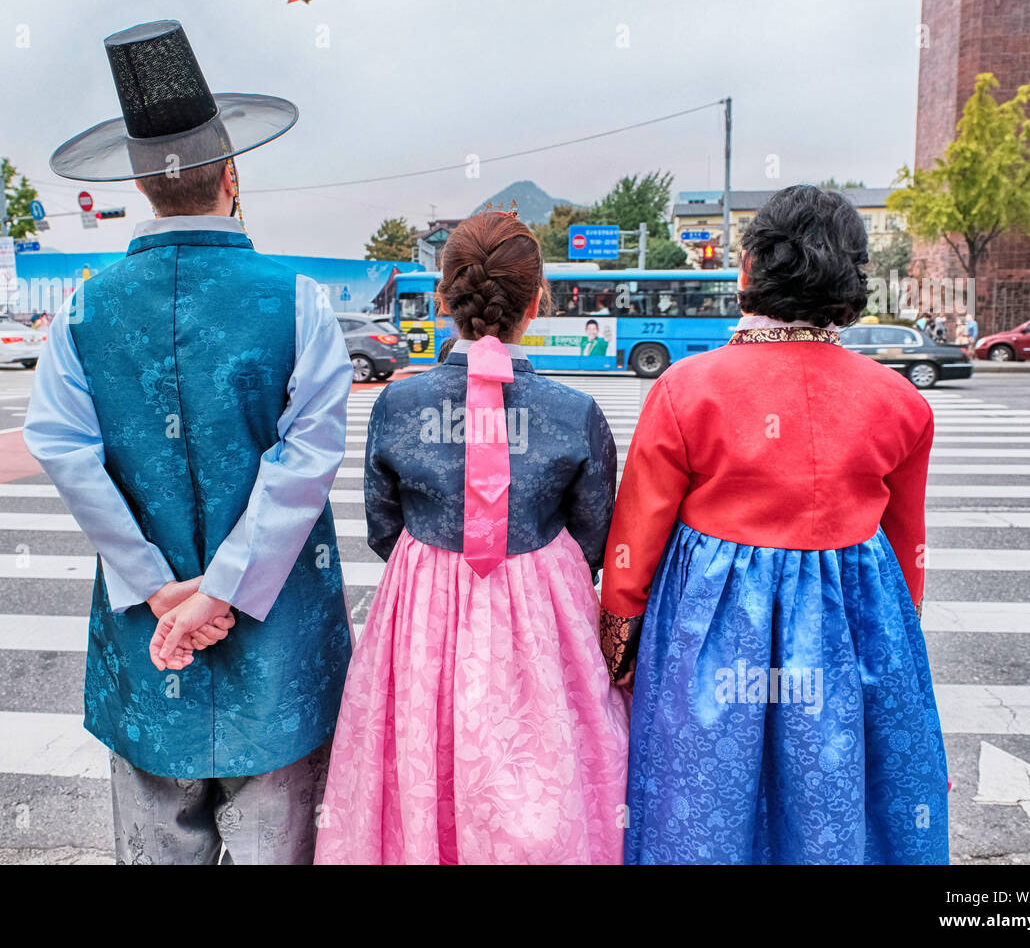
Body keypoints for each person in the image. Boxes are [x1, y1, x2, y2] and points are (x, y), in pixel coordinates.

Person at [25, 19, 354, 865]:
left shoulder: (85, 311)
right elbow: (303, 463)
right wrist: (227, 591)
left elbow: (63, 448)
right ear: (231, 179)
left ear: (142, 187)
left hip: (150, 639)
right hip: (276, 640)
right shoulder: (301, 301)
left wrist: (161, 590)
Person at [601, 185, 949, 864]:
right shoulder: (900, 403)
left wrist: (619, 639)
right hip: (849, 626)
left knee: (704, 796)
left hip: (712, 630)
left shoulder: (686, 389)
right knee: (830, 794)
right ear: (850, 283)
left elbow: (632, 544)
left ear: (749, 271)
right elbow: (907, 552)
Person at [315, 212, 629, 864]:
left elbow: (383, 527)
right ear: (537, 302)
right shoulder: (576, 413)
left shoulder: (398, 406)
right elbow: (595, 539)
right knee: (542, 782)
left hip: (422, 619)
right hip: (544, 625)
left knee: (425, 762)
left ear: (442, 296)